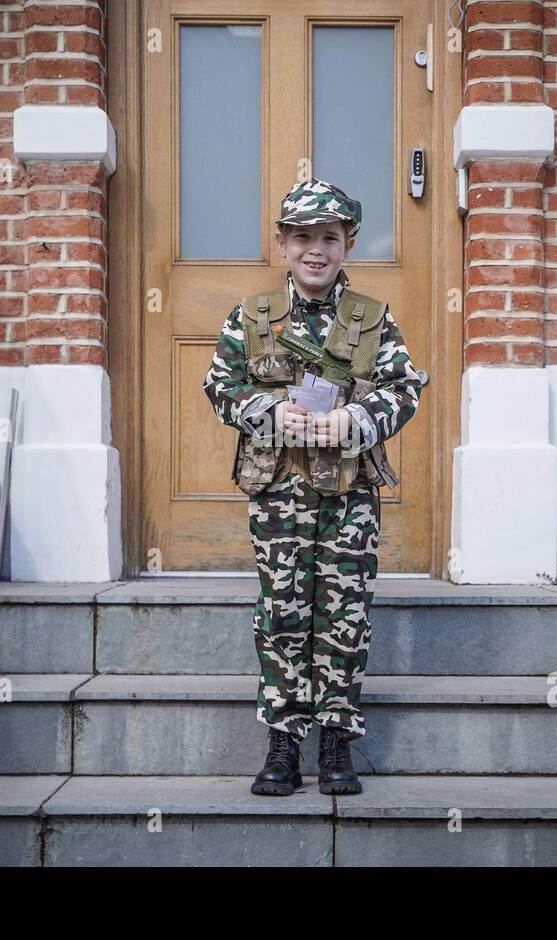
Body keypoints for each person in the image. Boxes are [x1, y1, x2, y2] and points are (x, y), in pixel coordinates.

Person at [201, 179, 425, 796]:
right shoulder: (252, 318)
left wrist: (354, 420)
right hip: (279, 495)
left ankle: (336, 742)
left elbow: (404, 390)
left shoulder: (373, 320)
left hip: (350, 496)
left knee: (344, 614)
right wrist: (269, 414)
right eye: (302, 238)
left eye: (329, 238)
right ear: (282, 244)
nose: (316, 251)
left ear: (348, 244)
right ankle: (282, 740)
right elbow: (220, 387)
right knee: (282, 614)